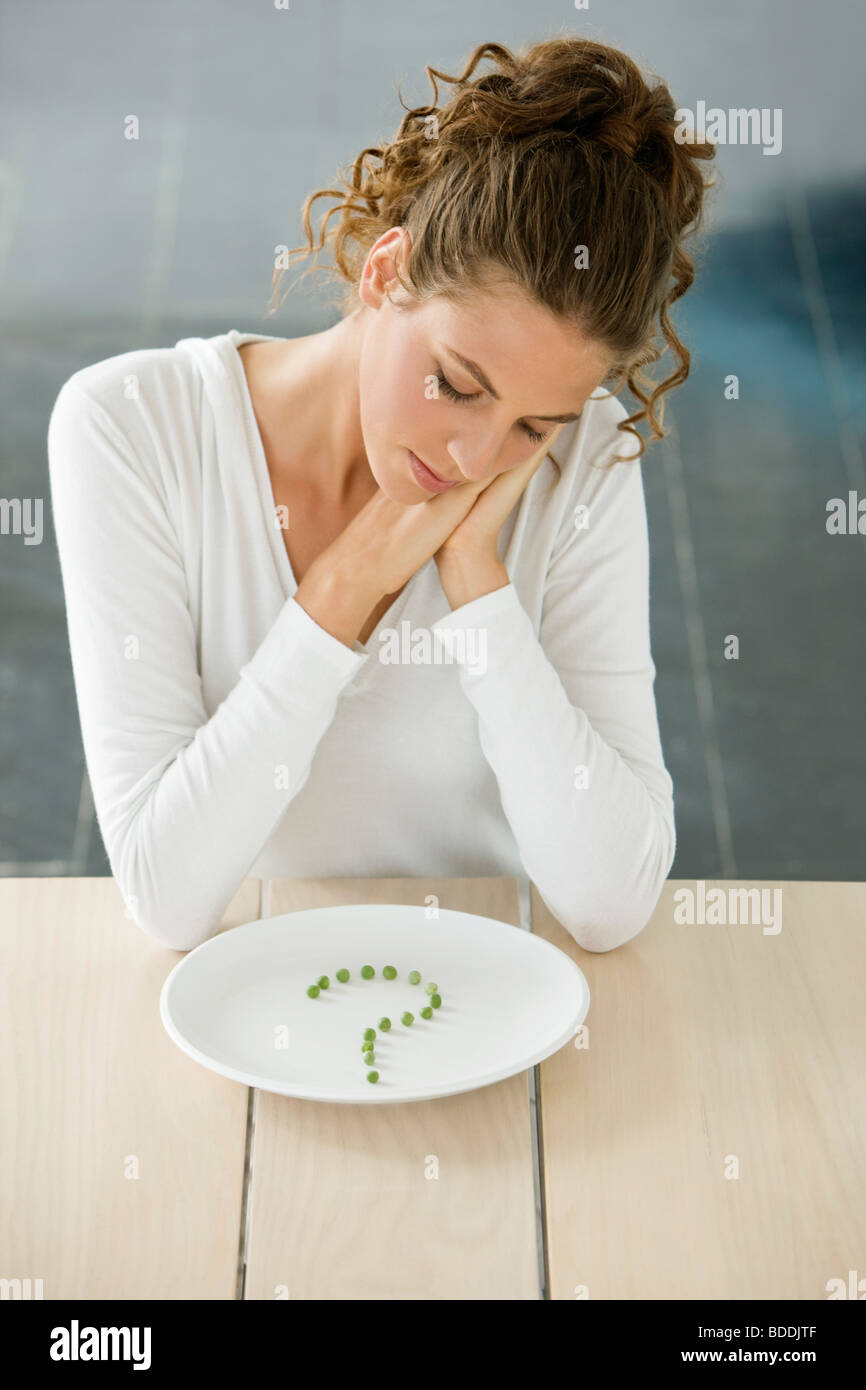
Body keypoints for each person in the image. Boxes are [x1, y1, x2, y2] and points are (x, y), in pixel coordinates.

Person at [46, 37, 716, 953]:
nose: (479, 457)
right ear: (385, 273)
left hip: (481, 997)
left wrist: (479, 584)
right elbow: (166, 899)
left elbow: (609, 903)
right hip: (255, 995)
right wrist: (346, 585)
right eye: (459, 383)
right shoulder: (130, 426)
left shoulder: (586, 458)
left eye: (533, 425)